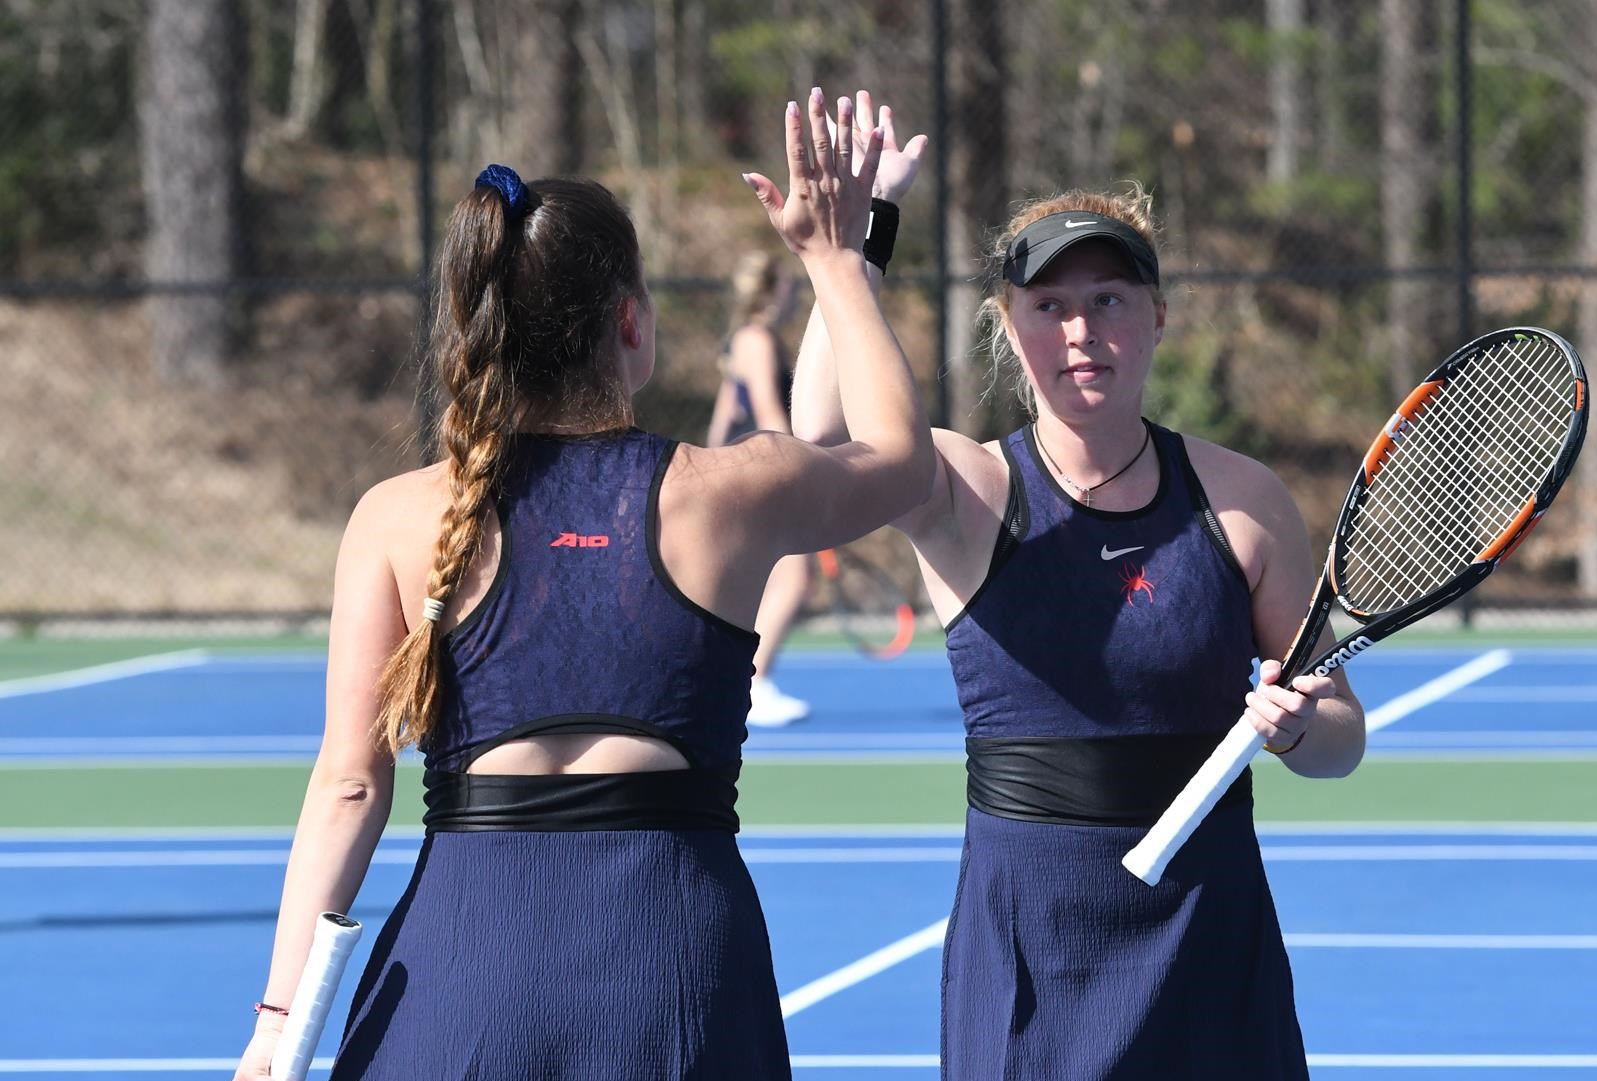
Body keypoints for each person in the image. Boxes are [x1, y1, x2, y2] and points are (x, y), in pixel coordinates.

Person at [234, 88, 932, 1080]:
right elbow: (902, 460)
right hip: (676, 972)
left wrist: (275, 1020)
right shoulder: (723, 491)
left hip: (461, 973)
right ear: (633, 327)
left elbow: (351, 781)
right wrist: (838, 255)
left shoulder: (397, 514)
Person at [790, 94, 1365, 1079]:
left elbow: (1341, 740)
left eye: (1108, 299)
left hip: (1206, 924)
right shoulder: (969, 491)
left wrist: (1307, 722)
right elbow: (819, 435)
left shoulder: (1241, 499)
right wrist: (859, 244)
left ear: (1156, 317)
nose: (1079, 330)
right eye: (1047, 306)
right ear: (1010, 330)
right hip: (1032, 928)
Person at [705, 250, 814, 727]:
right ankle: (754, 685)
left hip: (741, 468)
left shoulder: (743, 340)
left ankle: (734, 684)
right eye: (789, 284)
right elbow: (769, 414)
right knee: (795, 575)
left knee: (743, 584)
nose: (795, 294)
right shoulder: (758, 340)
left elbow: (722, 420)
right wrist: (801, 470)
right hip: (759, 470)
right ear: (772, 290)